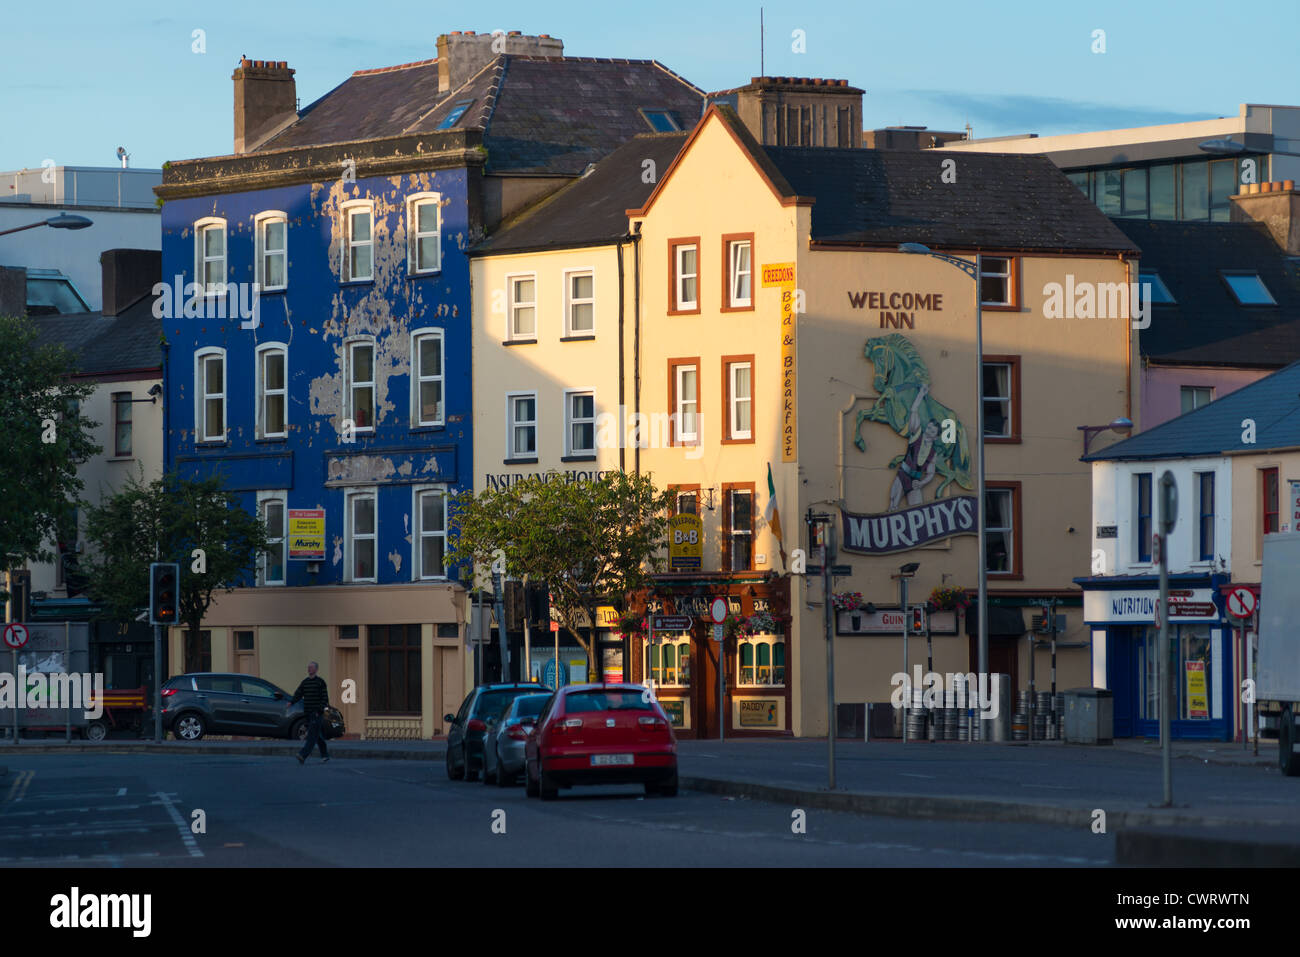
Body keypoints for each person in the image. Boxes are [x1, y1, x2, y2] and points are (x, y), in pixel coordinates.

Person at [291, 661, 331, 764]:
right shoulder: (305, 682)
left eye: (311, 667)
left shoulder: (320, 682)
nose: (309, 669)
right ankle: (325, 755)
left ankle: (302, 755)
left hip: (317, 713)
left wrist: (319, 710)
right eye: (308, 667)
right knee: (317, 735)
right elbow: (298, 693)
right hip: (308, 713)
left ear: (316, 669)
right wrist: (291, 702)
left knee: (312, 735)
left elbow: (325, 699)